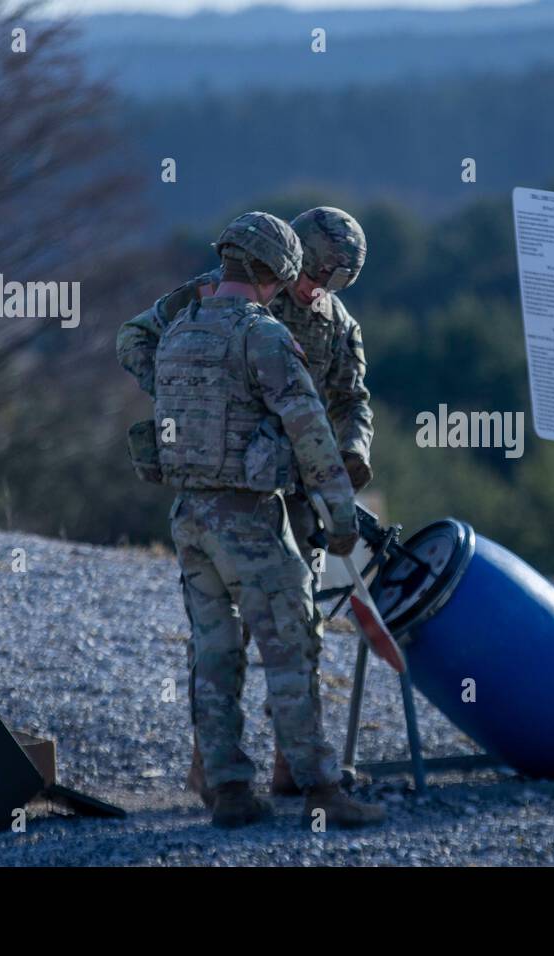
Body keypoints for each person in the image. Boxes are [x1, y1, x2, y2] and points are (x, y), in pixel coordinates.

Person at [118, 211, 384, 829]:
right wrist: (192, 399)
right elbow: (134, 341)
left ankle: (284, 771)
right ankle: (237, 778)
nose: (320, 288)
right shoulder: (213, 298)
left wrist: (355, 455)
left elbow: (349, 404)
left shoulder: (334, 325)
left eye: (335, 281)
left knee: (296, 630)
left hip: (283, 495)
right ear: (288, 263)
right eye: (315, 273)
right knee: (246, 640)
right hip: (253, 498)